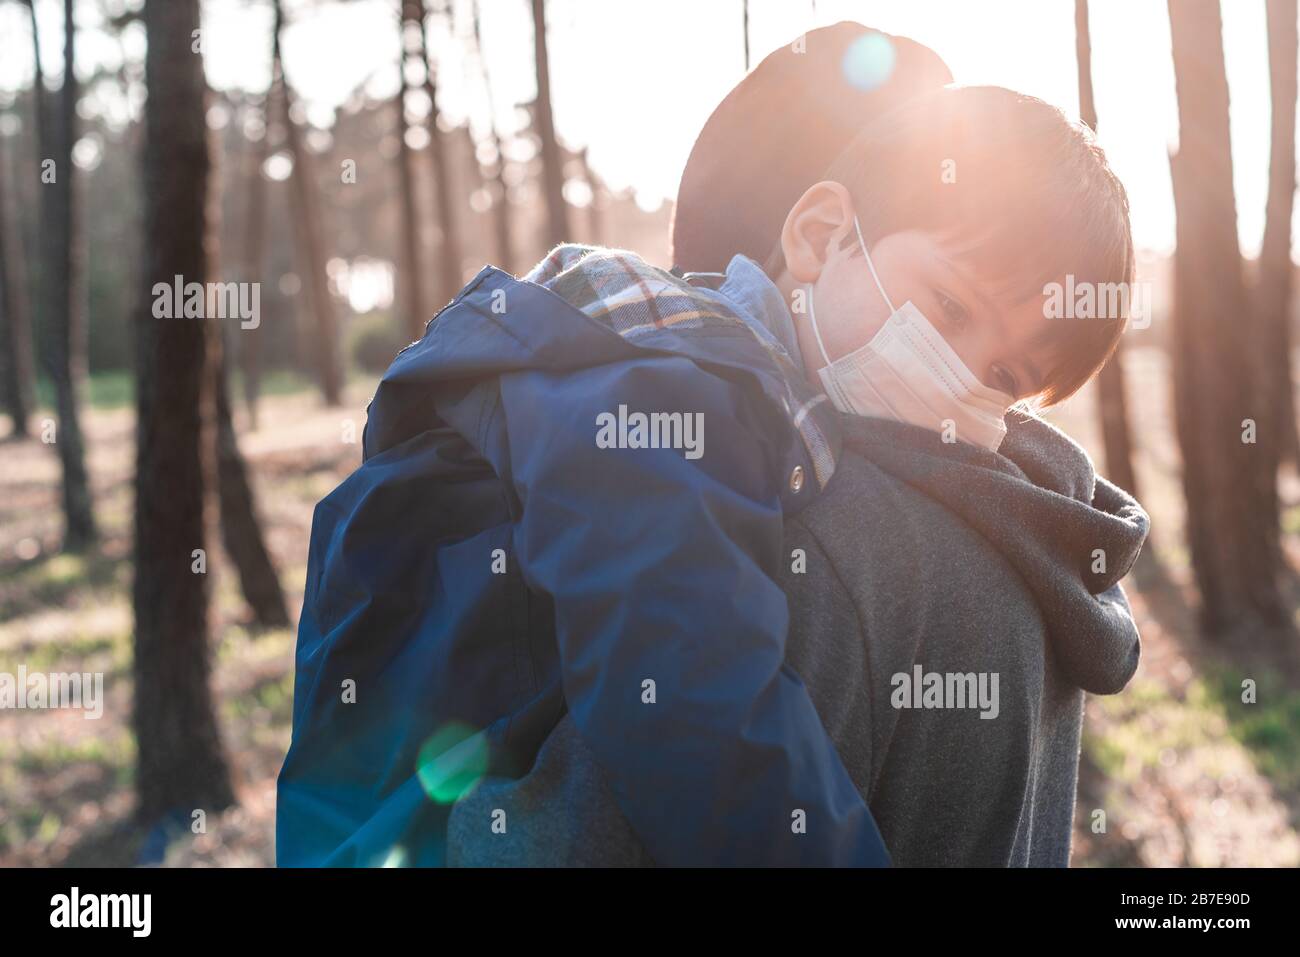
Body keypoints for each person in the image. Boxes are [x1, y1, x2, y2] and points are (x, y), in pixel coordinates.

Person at [277, 79, 1145, 867]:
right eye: (951, 308)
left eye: (1005, 381)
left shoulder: (770, 403)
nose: (961, 377)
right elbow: (695, 702)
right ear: (820, 238)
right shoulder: (658, 386)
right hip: (407, 815)